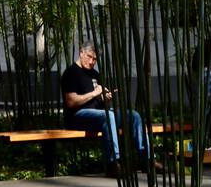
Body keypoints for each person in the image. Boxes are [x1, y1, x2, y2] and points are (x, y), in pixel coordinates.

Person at [60, 41, 148, 175]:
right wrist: (94, 93)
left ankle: (146, 159)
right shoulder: (71, 73)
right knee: (108, 116)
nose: (92, 62)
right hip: (77, 117)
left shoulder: (95, 74)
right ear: (81, 52)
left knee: (134, 116)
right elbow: (71, 102)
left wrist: (104, 98)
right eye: (89, 57)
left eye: (95, 59)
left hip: (99, 115)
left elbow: (99, 104)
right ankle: (113, 162)